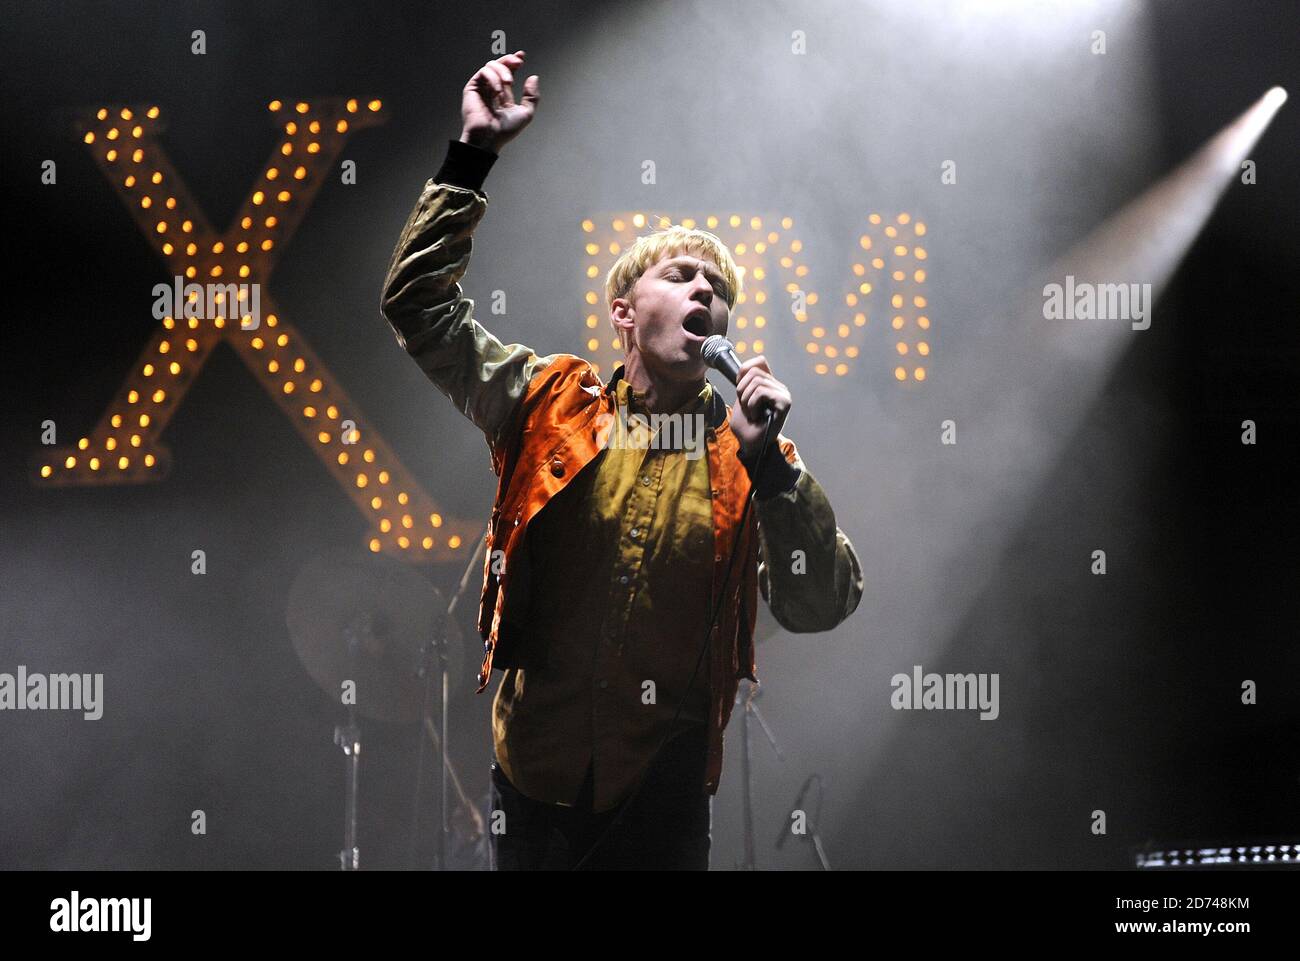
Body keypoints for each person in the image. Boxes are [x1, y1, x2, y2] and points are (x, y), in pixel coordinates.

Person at [380, 51, 864, 870]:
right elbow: (417, 305)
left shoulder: (749, 452)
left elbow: (822, 602)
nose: (704, 292)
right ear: (623, 314)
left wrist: (776, 474)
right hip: (533, 788)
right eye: (681, 277)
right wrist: (472, 158)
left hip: (664, 802)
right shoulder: (548, 402)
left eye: (717, 288)